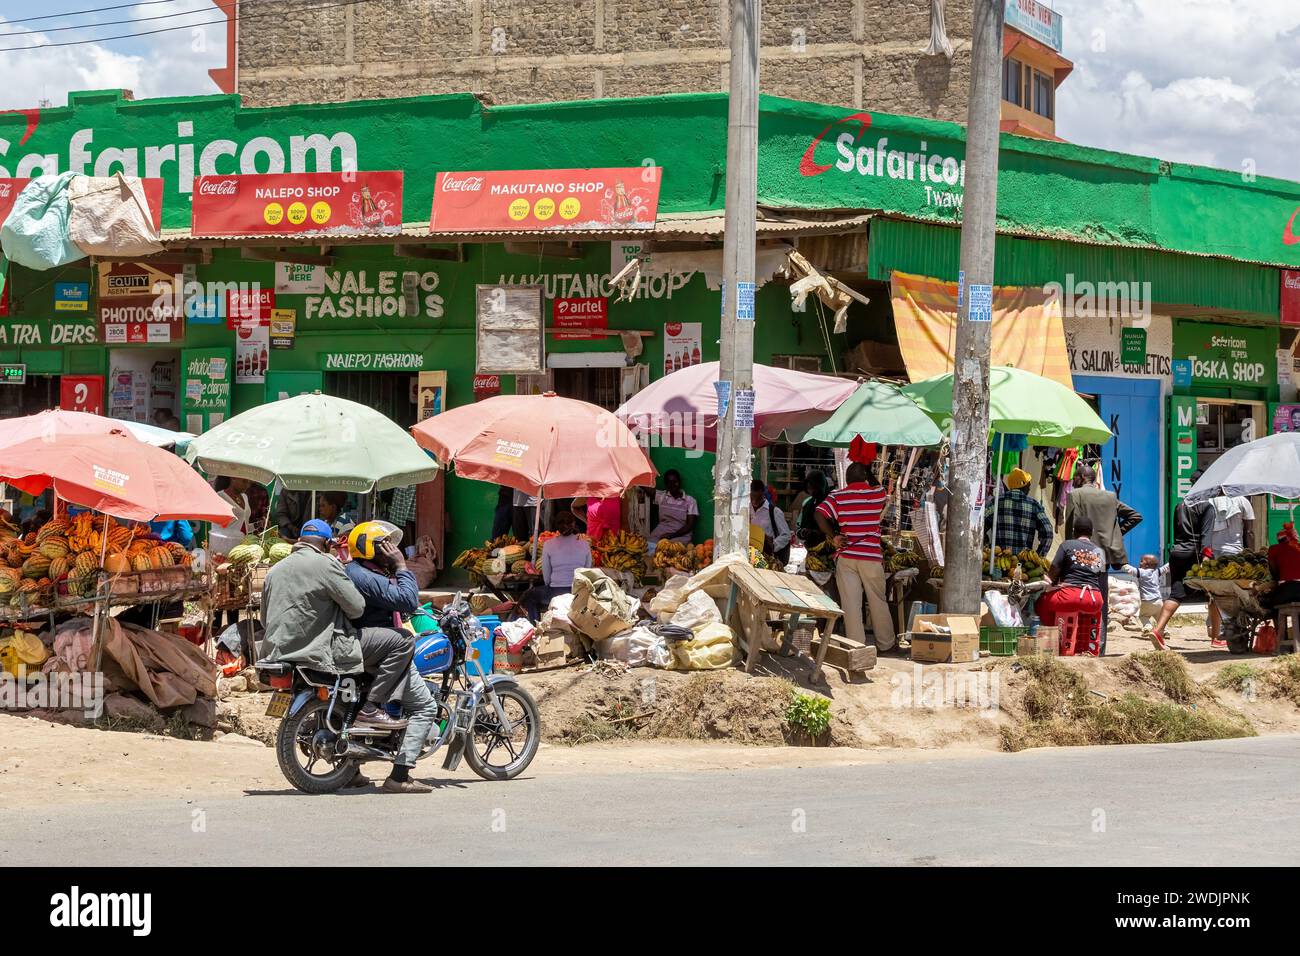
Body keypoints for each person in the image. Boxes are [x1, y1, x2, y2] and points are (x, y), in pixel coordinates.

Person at [260, 518, 410, 732]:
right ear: (327, 544)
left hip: (277, 652)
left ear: (300, 540)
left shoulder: (274, 570)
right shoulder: (326, 564)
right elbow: (357, 607)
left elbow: (265, 620)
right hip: (320, 650)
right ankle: (370, 708)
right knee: (402, 640)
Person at [343, 520, 437, 794]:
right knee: (425, 707)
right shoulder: (365, 576)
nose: (393, 550)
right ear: (371, 550)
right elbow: (408, 600)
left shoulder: (361, 572)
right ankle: (400, 776)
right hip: (377, 648)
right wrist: (401, 566)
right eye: (386, 546)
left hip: (366, 647)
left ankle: (350, 772)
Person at [814, 462, 895, 652]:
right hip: (871, 557)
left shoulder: (838, 496)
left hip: (847, 555)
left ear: (847, 479)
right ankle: (886, 644)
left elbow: (819, 514)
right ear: (865, 478)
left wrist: (833, 537)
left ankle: (857, 646)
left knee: (851, 604)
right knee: (878, 600)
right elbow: (877, 484)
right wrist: (868, 472)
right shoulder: (877, 494)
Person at [1149, 485, 1214, 650]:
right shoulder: (1206, 506)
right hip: (1194, 554)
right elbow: (1206, 534)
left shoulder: (1180, 505)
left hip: (1177, 553)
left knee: (1176, 593)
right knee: (1213, 592)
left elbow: (1175, 531)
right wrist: (1206, 557)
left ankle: (1158, 629)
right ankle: (1217, 636)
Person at [1036, 515, 1108, 654]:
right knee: (1082, 612)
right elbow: (1099, 578)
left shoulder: (1067, 545)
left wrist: (1053, 583)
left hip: (1071, 596)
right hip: (1095, 600)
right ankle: (1082, 646)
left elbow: (1054, 571)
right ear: (1091, 533)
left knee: (1041, 603)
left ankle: (1057, 640)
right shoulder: (1100, 551)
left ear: (1074, 531)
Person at [1064, 463, 1142, 567]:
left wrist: (1068, 552)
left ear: (1082, 477)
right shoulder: (1110, 496)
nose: (1073, 483)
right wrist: (1115, 534)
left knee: (1086, 582)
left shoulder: (1074, 495)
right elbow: (1135, 516)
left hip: (1084, 553)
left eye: (1074, 478)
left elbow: (1072, 525)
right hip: (1105, 553)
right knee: (1101, 581)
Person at [1204, 491, 1255, 647]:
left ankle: (1216, 633)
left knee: (1216, 593)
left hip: (1213, 553)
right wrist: (1251, 555)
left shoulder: (1210, 502)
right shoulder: (1242, 501)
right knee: (1235, 592)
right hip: (1235, 552)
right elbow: (1249, 531)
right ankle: (1228, 626)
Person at [521, 511, 591, 621]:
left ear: (556, 527)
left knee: (529, 596)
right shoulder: (585, 544)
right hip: (578, 593)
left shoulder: (548, 545)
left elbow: (547, 578)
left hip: (555, 593)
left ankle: (535, 627)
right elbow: (588, 570)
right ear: (573, 524)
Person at [984, 467, 1053, 556]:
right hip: (1024, 564)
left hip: (998, 560)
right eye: (1028, 483)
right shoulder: (1034, 505)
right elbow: (1048, 532)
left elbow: (980, 525)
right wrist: (1039, 555)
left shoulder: (997, 502)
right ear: (1024, 485)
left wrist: (986, 547)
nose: (1030, 487)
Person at [646, 469, 698, 553]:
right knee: (647, 548)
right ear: (666, 484)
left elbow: (690, 525)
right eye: (669, 482)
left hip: (680, 535)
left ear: (680, 482)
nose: (673, 485)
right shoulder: (662, 496)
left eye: (675, 482)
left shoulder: (690, 501)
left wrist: (671, 536)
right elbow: (648, 489)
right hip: (661, 533)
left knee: (671, 552)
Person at [1121, 554, 1168, 635]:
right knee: (1160, 617)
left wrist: (1122, 563)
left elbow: (1130, 569)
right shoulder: (1157, 572)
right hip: (1158, 601)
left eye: (1141, 561)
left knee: (1143, 616)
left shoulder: (1141, 572)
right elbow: (1165, 568)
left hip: (1146, 601)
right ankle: (1165, 631)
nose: (1139, 562)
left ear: (1146, 565)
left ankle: (1147, 627)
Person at [749, 479, 792, 565]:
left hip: (768, 557)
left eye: (757, 497)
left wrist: (773, 545)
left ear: (763, 494)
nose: (754, 500)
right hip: (750, 555)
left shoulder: (774, 511)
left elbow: (786, 535)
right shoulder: (746, 509)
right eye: (752, 497)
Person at [1264, 522, 1300, 619]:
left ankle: (1281, 633)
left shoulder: (1273, 549)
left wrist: (1277, 578)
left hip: (1287, 589)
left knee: (1271, 606)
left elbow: (1273, 569)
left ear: (1279, 540)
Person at [210, 477, 253, 556]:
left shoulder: (245, 497)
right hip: (223, 550)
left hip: (241, 549)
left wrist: (256, 525)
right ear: (233, 478)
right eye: (244, 481)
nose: (247, 485)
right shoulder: (220, 497)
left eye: (249, 482)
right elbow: (217, 527)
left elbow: (242, 526)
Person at [796, 471, 832, 549]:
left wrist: (820, 533)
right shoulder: (808, 504)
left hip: (830, 549)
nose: (811, 491)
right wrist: (803, 532)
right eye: (809, 488)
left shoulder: (831, 502)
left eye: (814, 488)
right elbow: (800, 527)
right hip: (812, 550)